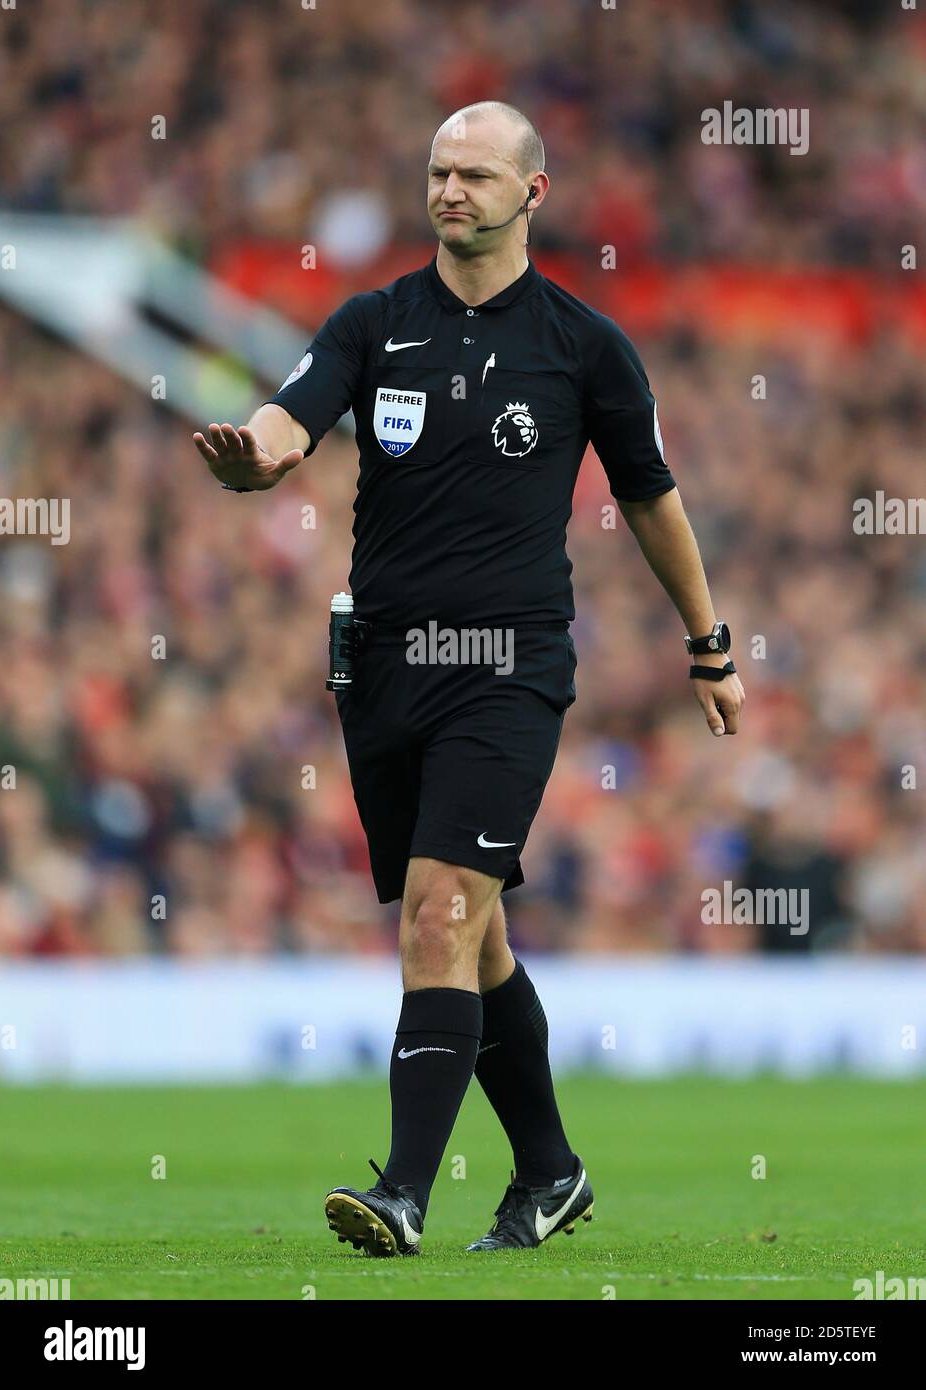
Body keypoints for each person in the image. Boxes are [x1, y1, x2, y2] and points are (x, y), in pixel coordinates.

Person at [192, 100, 745, 1256]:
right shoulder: (373, 322)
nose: (450, 191)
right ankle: (549, 1169)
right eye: (437, 171)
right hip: (382, 671)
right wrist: (259, 456)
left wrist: (708, 642)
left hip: (507, 667)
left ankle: (399, 1191)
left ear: (531, 193)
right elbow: (291, 417)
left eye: (475, 175)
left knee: (441, 915)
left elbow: (649, 496)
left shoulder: (584, 345)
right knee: (470, 935)